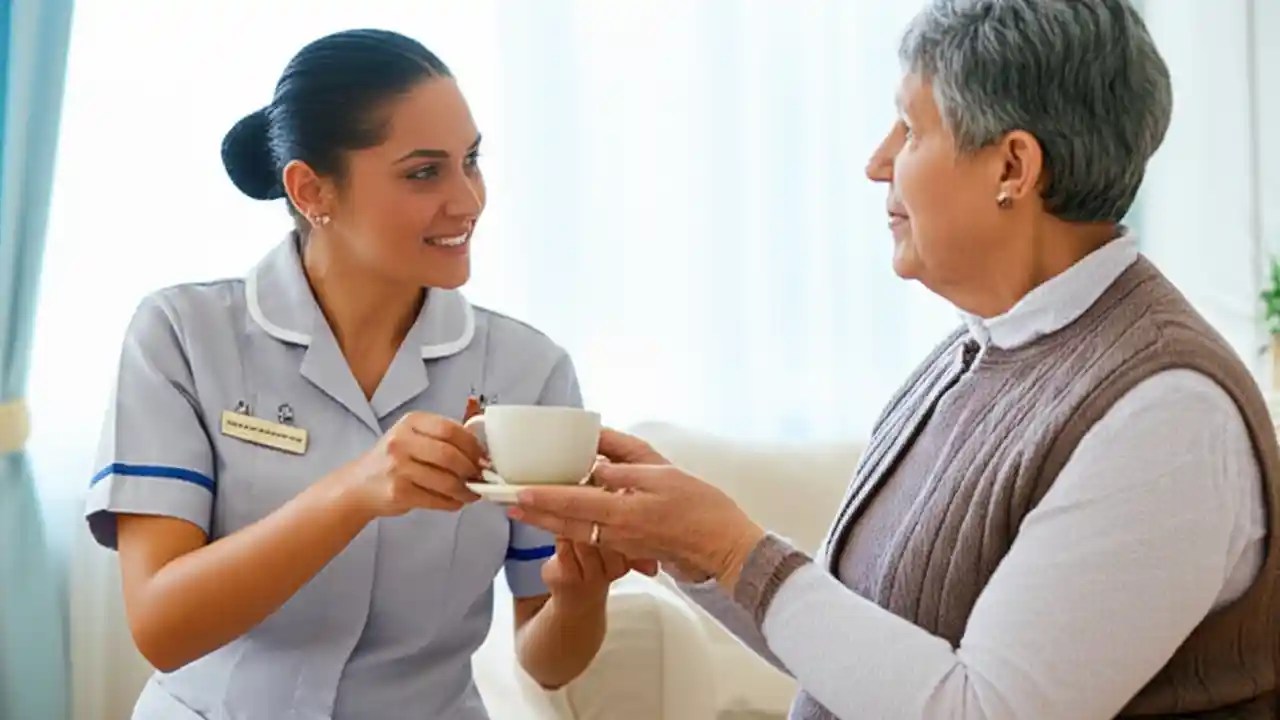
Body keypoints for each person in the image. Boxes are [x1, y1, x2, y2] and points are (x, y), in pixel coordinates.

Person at [510, 1, 1280, 718]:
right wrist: (686, 544)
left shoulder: (1168, 417)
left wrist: (729, 547)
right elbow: (859, 654)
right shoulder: (981, 348)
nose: (878, 163)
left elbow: (982, 710)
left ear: (1013, 168)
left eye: (910, 129)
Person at [84, 28, 650, 719]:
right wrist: (354, 491)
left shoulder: (529, 370)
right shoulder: (181, 335)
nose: (469, 200)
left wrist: (580, 597)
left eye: (471, 161)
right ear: (311, 189)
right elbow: (162, 628)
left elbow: (546, 661)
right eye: (424, 172)